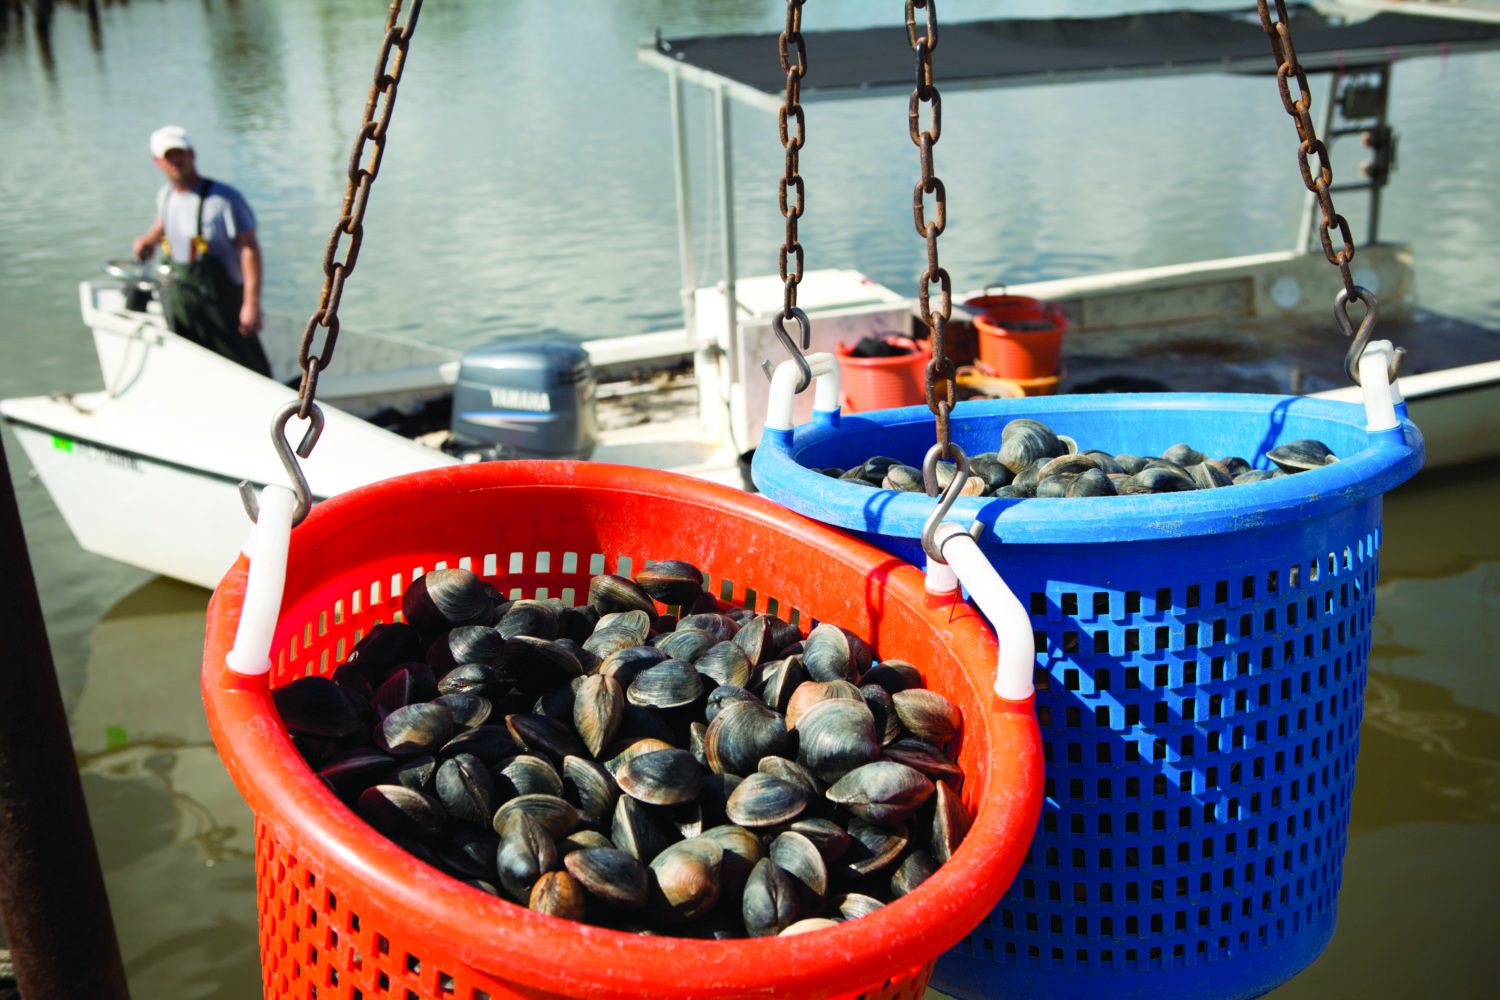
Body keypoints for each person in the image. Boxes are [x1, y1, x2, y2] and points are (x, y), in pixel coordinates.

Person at [131, 125, 271, 377]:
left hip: (223, 302)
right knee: (196, 365)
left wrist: (251, 304)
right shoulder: (165, 196)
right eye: (168, 156)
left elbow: (250, 249)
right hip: (183, 299)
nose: (176, 160)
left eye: (180, 153)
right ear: (157, 162)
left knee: (248, 367)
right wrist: (149, 239)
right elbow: (163, 223)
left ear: (192, 154)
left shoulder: (224, 199)